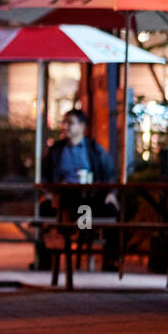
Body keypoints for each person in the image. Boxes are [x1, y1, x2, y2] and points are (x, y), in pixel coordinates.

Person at [34, 109, 120, 270]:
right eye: (64, 122)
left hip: (87, 202)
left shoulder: (94, 149)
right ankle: (45, 260)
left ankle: (109, 260)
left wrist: (110, 194)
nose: (66, 126)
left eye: (70, 123)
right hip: (61, 201)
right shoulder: (56, 150)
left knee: (111, 211)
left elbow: (109, 173)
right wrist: (47, 193)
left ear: (82, 126)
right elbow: (45, 175)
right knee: (43, 210)